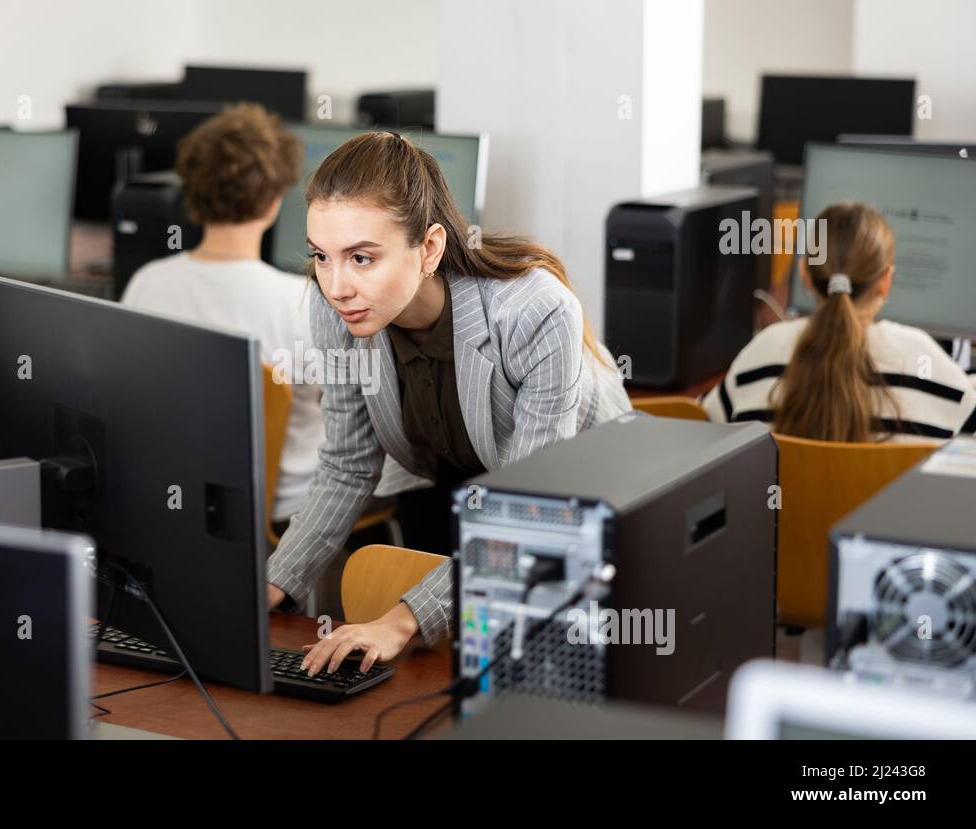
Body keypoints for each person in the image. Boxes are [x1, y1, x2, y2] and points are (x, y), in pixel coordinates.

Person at [270, 131, 632, 677]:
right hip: (460, 482)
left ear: (431, 248)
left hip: (578, 500)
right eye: (323, 256)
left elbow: (528, 506)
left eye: (362, 258)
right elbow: (347, 464)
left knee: (527, 678)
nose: (337, 284)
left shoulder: (535, 311)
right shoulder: (336, 308)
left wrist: (402, 618)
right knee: (430, 679)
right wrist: (272, 583)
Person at [121, 104, 323, 526]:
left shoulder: (146, 284)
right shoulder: (303, 302)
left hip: (172, 504)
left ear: (191, 198)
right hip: (281, 513)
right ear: (273, 202)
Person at [703, 201, 976, 441]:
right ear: (885, 282)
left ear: (804, 274)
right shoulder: (927, 362)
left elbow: (699, 423)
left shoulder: (762, 353)